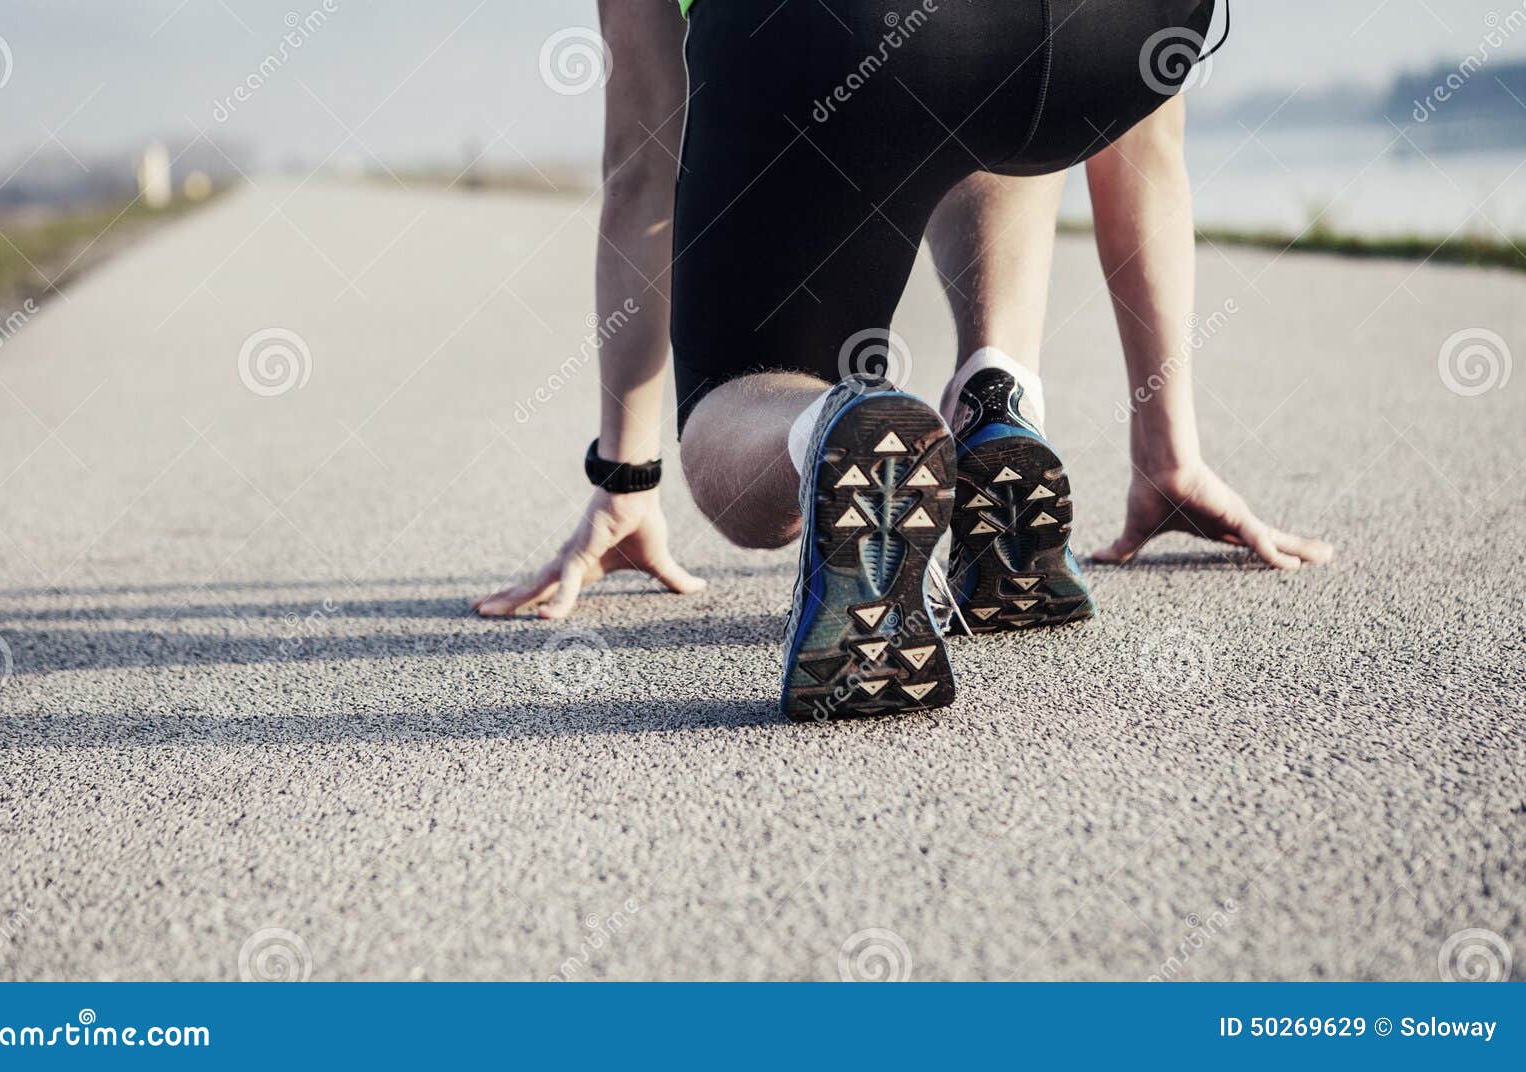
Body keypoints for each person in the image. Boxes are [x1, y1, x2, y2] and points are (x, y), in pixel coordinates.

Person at [477, 0, 1330, 720]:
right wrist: (1168, 450)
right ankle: (997, 396)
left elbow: (641, 163)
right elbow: (1147, 144)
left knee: (737, 424)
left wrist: (625, 479)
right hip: (1105, 41)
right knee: (1007, 87)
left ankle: (832, 431)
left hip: (850, 33)